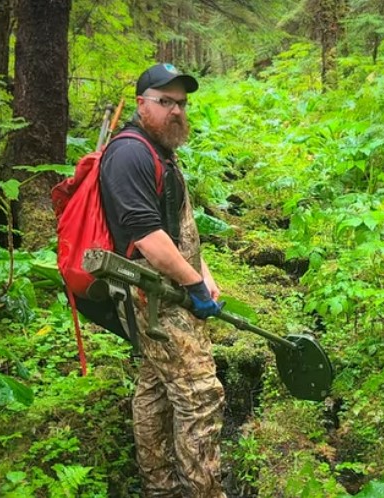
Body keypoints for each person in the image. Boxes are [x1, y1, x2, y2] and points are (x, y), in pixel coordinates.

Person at [96, 62, 228, 498]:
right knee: (201, 395)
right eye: (165, 102)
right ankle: (203, 491)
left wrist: (204, 275)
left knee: (155, 387)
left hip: (170, 287)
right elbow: (149, 239)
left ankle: (160, 487)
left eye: (182, 104)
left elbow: (178, 228)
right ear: (141, 104)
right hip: (152, 293)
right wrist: (192, 286)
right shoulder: (130, 154)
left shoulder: (161, 152)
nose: (176, 111)